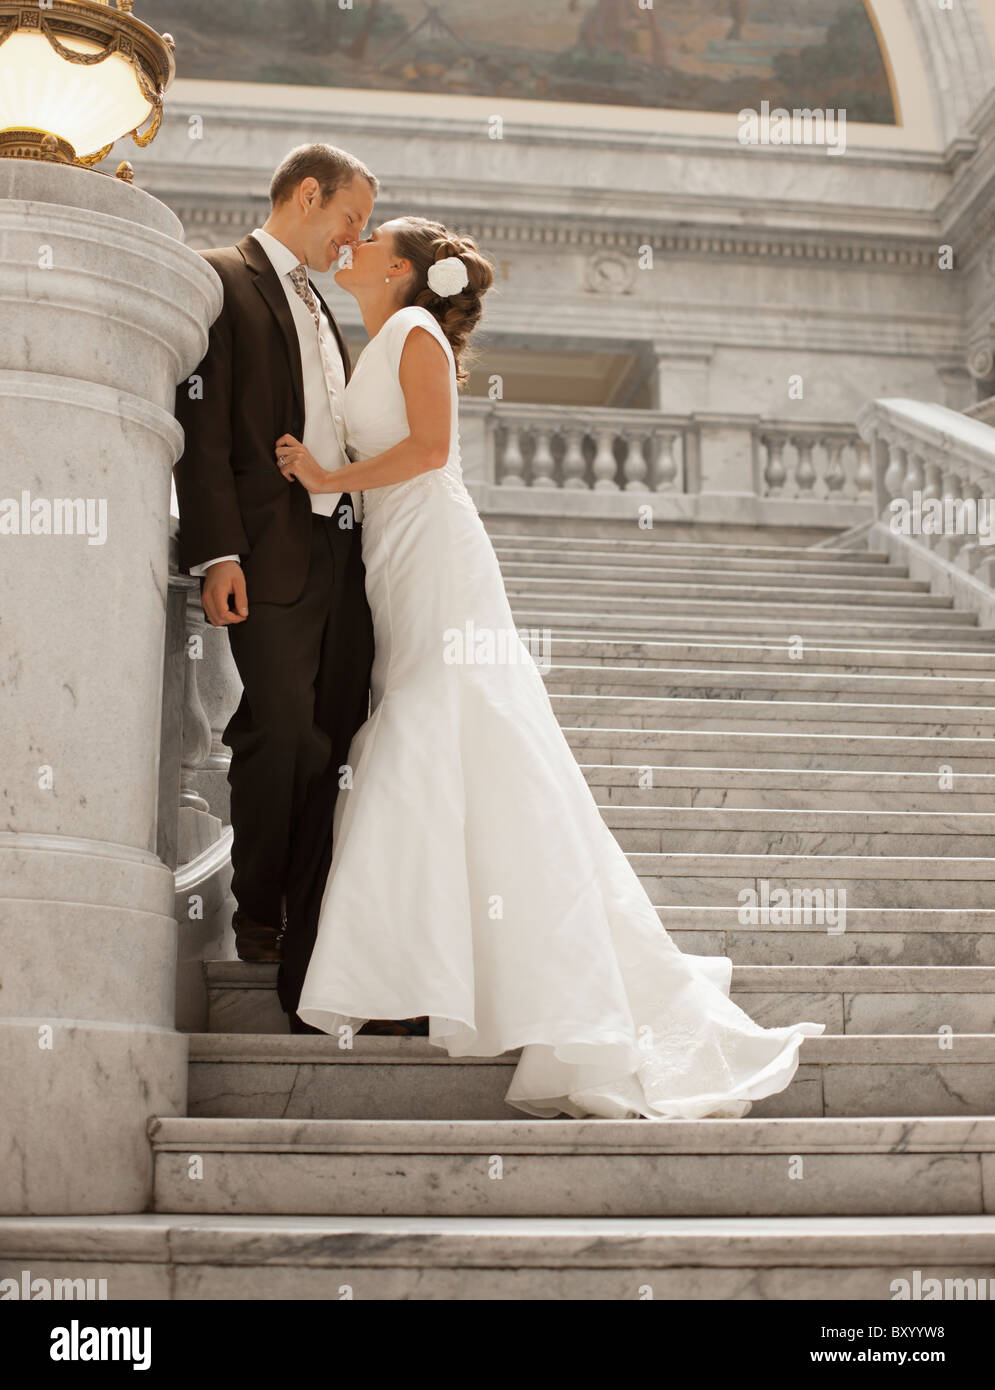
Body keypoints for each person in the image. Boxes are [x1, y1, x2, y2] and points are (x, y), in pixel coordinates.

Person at [274, 214, 826, 1119]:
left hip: (431, 543)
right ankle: (449, 961)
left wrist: (326, 480)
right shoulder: (375, 338)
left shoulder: (409, 329)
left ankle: (474, 970)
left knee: (442, 712)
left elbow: (428, 452)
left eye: (370, 240)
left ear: (403, 270)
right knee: (433, 713)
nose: (354, 245)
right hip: (392, 547)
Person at [172, 144, 377, 1031]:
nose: (354, 240)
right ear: (307, 195)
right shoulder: (223, 278)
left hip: (344, 558)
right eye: (351, 220)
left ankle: (307, 920)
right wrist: (218, 553)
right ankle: (258, 912)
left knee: (332, 738)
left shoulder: (323, 307)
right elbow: (203, 423)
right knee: (279, 729)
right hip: (265, 557)